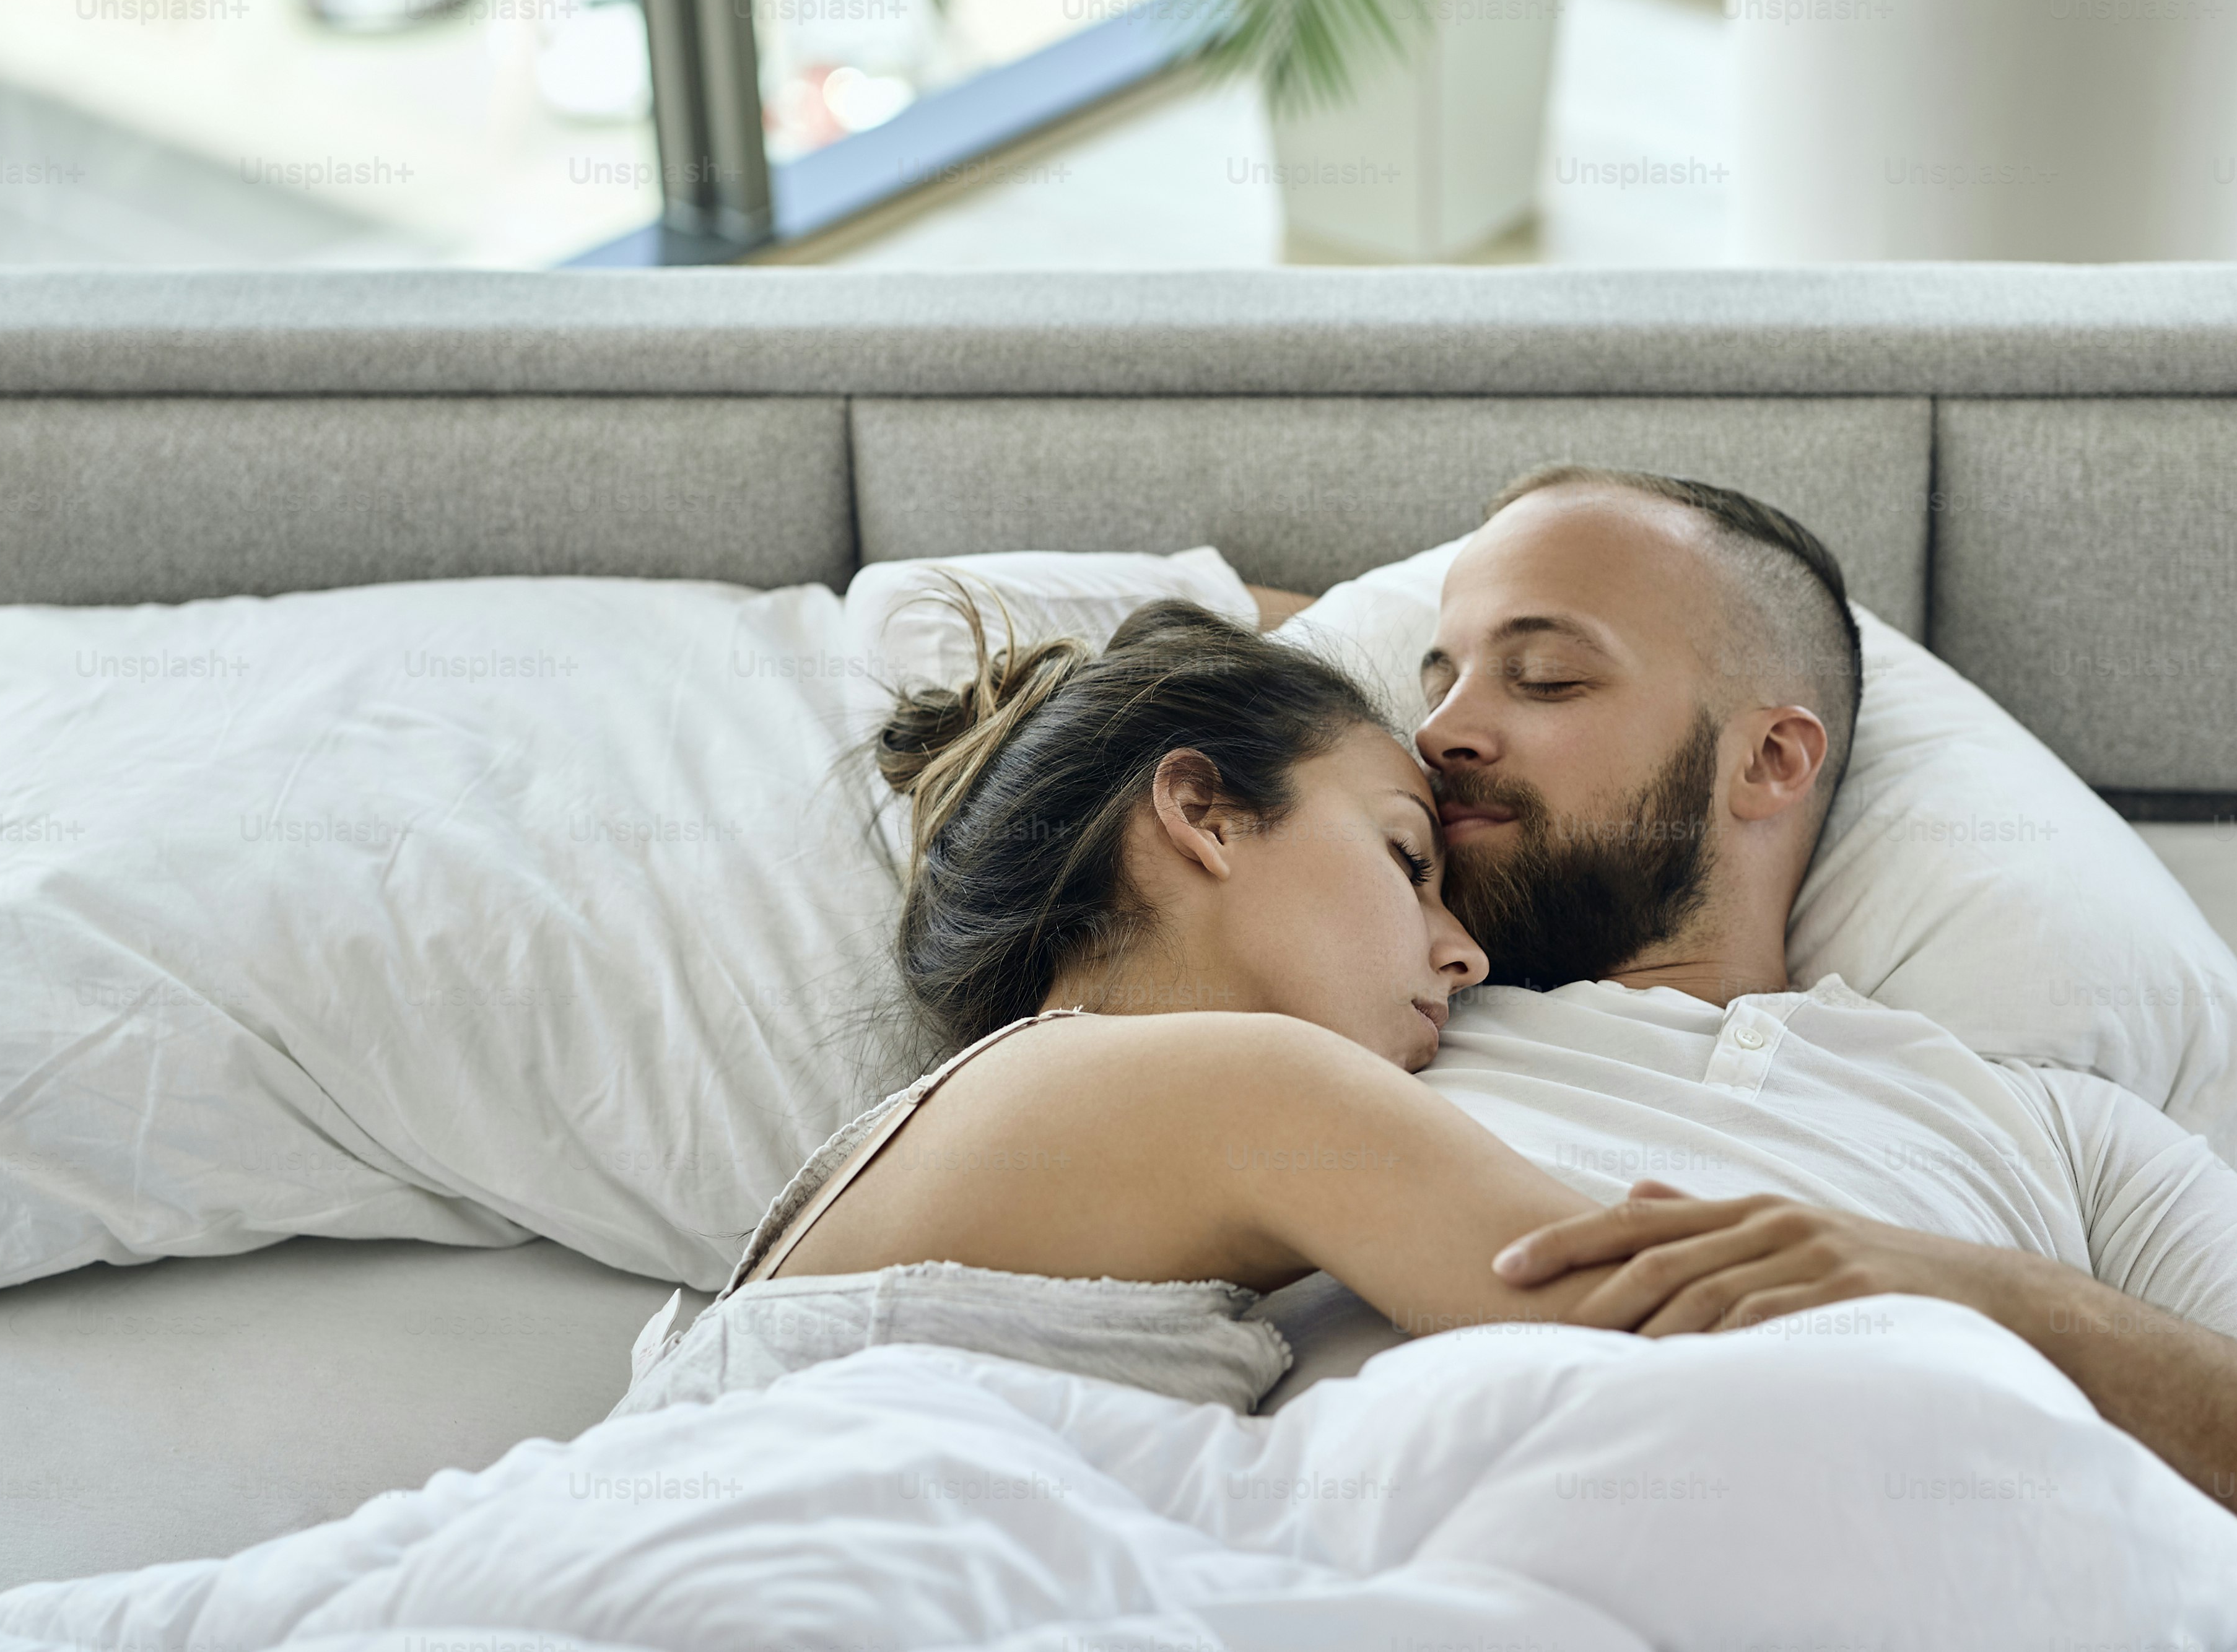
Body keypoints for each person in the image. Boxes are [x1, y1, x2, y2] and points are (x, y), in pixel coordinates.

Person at [1335, 463, 2237, 1652]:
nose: (1441, 730)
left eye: (1543, 676)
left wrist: (1967, 1295)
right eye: (1433, 679)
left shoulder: (2058, 1138)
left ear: (1771, 759)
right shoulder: (1344, 1027)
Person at [617, 599, 1704, 1420]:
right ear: (1201, 814)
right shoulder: (1235, 1082)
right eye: (1405, 858)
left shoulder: (1003, 1114)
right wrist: (1882, 1267)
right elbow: (1660, 1323)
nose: (1463, 952)